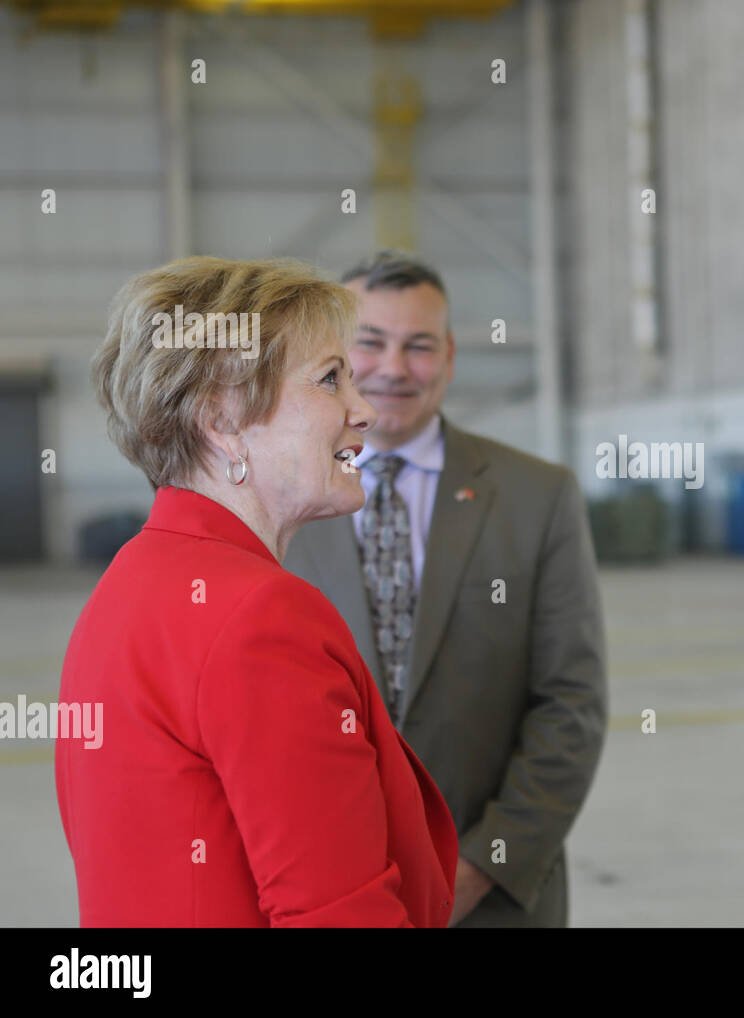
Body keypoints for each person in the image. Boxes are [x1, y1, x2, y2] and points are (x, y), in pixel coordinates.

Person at [57, 256, 459, 927]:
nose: (363, 411)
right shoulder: (261, 617)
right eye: (330, 379)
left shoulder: (132, 581)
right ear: (223, 421)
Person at [284, 251, 607, 928]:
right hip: (317, 891)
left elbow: (570, 703)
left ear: (450, 356)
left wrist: (479, 869)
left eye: (419, 346)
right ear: (334, 359)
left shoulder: (537, 496)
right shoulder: (281, 501)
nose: (395, 368)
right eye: (369, 342)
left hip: (493, 897)